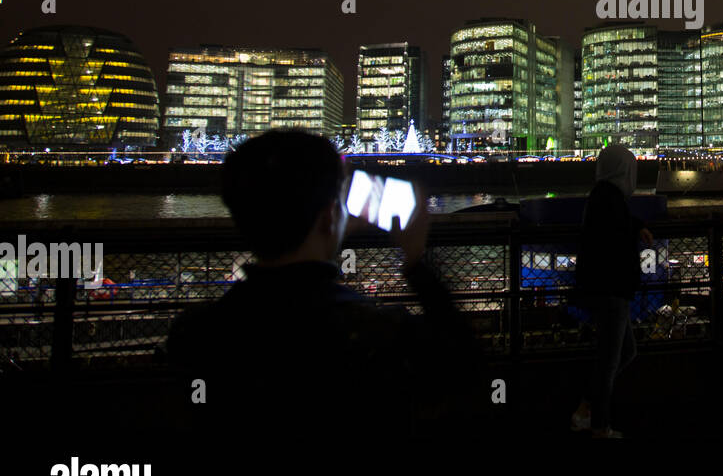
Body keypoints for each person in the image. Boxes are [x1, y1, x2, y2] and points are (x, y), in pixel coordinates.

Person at [166, 130, 486, 437]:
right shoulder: (378, 332)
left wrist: (326, 225)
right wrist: (415, 258)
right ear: (330, 215)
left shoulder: (196, 333)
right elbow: (466, 370)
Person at [569, 144, 653, 438]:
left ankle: (584, 410)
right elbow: (613, 236)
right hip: (611, 290)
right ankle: (598, 426)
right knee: (609, 361)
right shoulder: (608, 198)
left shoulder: (605, 197)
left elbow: (616, 227)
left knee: (624, 351)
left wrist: (636, 226)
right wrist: (636, 229)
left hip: (607, 288)